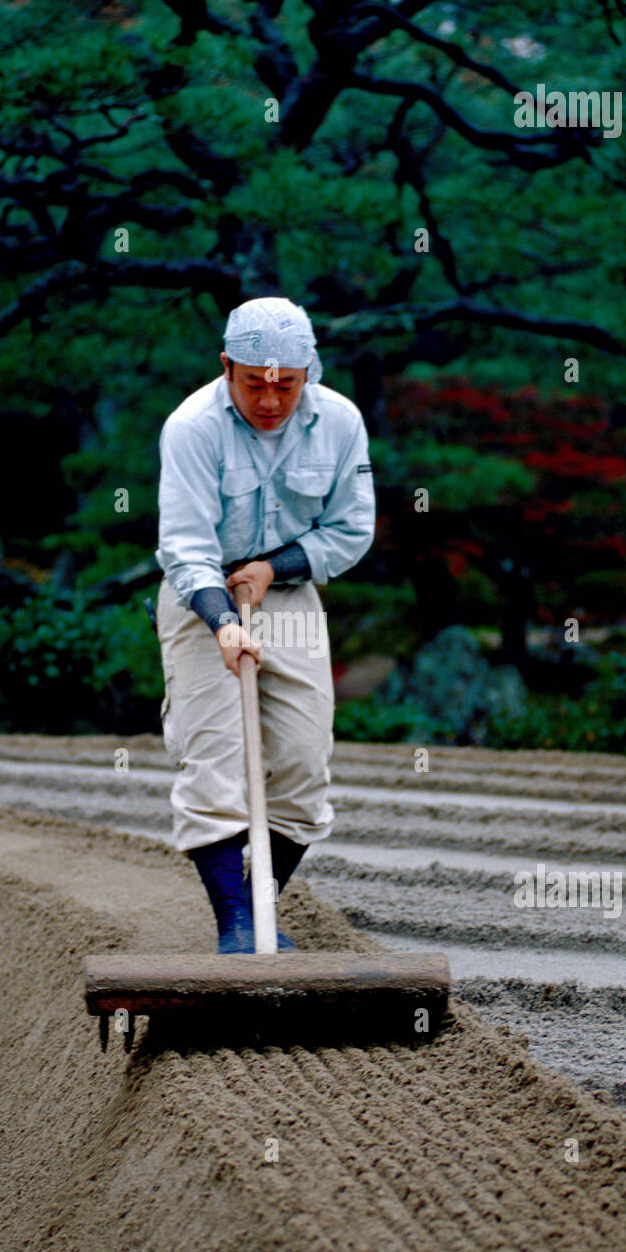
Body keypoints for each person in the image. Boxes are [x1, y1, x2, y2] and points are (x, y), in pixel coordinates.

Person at [155, 297, 375, 953]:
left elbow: (351, 529)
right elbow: (185, 545)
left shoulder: (340, 422)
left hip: (289, 593)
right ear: (227, 367)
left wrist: (273, 568)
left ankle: (263, 905)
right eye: (254, 383)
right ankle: (236, 927)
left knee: (303, 768)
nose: (271, 400)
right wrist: (224, 622)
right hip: (203, 597)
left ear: (310, 371)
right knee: (216, 761)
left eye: (286, 384)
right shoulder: (192, 427)